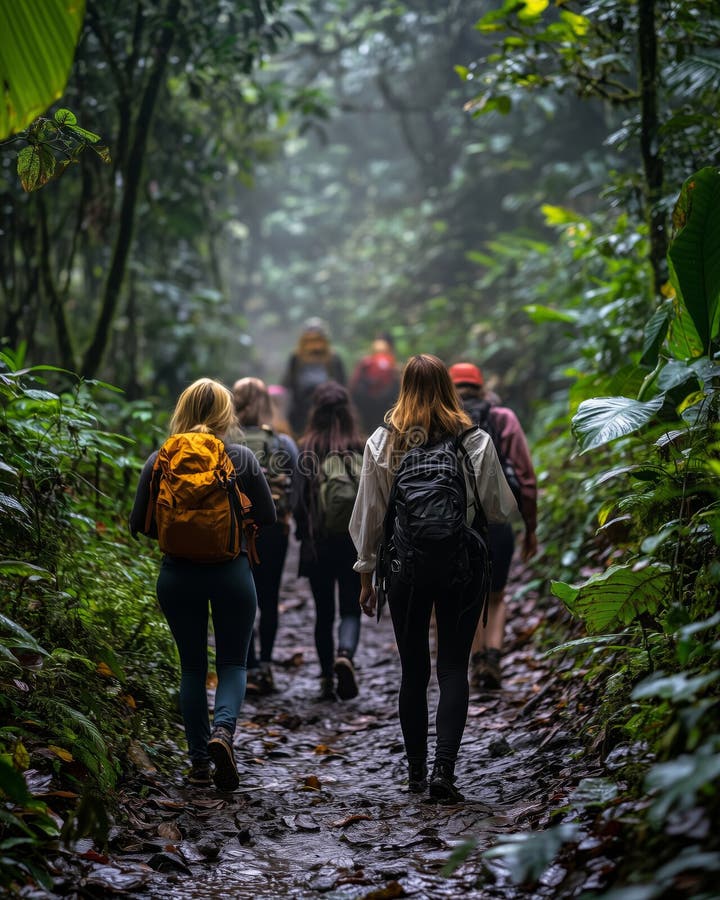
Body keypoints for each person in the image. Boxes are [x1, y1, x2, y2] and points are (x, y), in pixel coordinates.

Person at [349, 354, 517, 801]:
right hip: (461, 567)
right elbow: (500, 510)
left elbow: (368, 516)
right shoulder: (473, 440)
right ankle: (445, 771)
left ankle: (415, 773)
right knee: (453, 668)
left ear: (403, 388)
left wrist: (366, 576)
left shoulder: (384, 441)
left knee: (413, 672)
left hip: (404, 569)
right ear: (448, 387)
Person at [130, 378, 276, 790]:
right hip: (231, 572)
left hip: (177, 576)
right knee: (232, 663)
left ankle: (197, 761)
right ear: (224, 414)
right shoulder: (241, 457)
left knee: (192, 667)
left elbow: (137, 523)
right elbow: (268, 516)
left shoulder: (159, 459)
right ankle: (222, 733)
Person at [448, 362, 538, 690]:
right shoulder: (503, 418)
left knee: (467, 595)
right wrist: (530, 527)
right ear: (481, 387)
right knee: (496, 596)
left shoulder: (440, 421)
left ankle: (475, 660)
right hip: (498, 520)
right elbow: (526, 478)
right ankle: (493, 657)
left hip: (457, 523)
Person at [293, 381, 364, 701]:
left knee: (324, 613)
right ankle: (345, 654)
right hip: (353, 541)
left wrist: (300, 533)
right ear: (348, 412)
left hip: (317, 544)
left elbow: (297, 502)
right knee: (351, 606)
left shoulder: (305, 447)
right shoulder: (360, 446)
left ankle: (325, 678)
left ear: (316, 413)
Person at [233, 377, 299, 695]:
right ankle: (267, 666)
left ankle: (249, 663)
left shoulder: (223, 441)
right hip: (273, 529)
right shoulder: (282, 443)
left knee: (240, 597)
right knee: (269, 598)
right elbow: (296, 487)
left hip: (234, 531)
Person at [282, 318, 346, 436]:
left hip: (328, 413)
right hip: (300, 414)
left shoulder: (333, 359)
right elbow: (287, 386)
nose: (314, 344)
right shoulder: (296, 358)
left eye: (317, 339)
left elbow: (342, 388)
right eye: (310, 340)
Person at [349, 333, 401, 435]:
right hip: (375, 403)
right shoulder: (367, 362)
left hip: (379, 403)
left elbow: (354, 383)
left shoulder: (392, 364)